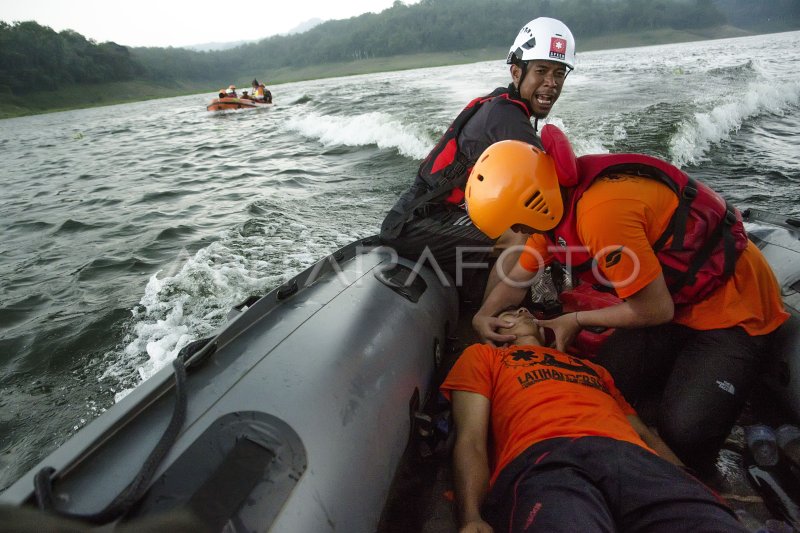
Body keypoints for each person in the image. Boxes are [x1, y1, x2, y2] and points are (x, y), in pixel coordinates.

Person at [466, 131, 790, 473]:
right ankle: (683, 389)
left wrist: (574, 320)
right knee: (607, 382)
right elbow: (519, 277)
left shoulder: (601, 214)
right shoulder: (555, 212)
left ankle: (718, 396)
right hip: (676, 305)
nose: (516, 231)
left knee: (685, 434)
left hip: (733, 308)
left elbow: (655, 309)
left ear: (532, 204)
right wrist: (483, 315)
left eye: (515, 224)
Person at [441, 306, 746, 532]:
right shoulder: (485, 357)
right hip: (545, 459)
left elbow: (641, 431)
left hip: (629, 455)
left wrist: (683, 478)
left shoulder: (590, 368)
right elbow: (471, 437)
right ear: (496, 330)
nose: (522, 310)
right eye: (509, 314)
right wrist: (471, 518)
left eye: (525, 310)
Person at [379, 17, 575, 295]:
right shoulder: (506, 117)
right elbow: (554, 189)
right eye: (541, 71)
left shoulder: (505, 106)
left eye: (559, 73)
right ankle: (490, 320)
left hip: (431, 216)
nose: (551, 83)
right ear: (517, 73)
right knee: (522, 237)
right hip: (414, 224)